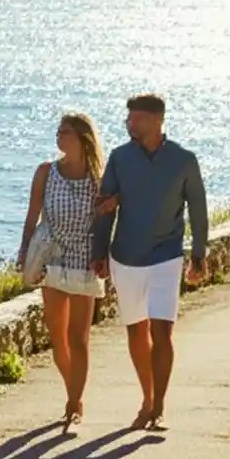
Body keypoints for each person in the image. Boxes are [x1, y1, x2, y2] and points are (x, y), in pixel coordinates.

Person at [91, 93, 208, 431]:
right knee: (136, 330)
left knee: (162, 329)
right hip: (125, 257)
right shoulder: (119, 158)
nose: (130, 124)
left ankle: (158, 406)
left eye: (137, 119)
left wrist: (198, 254)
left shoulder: (184, 160)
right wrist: (100, 253)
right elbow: (104, 209)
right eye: (129, 119)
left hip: (166, 256)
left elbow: (198, 210)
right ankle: (147, 396)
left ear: (157, 121)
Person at [17, 112, 108, 432]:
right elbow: (32, 218)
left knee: (79, 338)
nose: (59, 137)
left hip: (84, 260)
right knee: (59, 339)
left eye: (65, 132)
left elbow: (106, 222)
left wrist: (105, 257)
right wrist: (23, 253)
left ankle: (74, 404)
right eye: (58, 131)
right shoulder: (46, 172)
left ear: (82, 138)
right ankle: (73, 391)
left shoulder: (99, 178)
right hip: (51, 258)